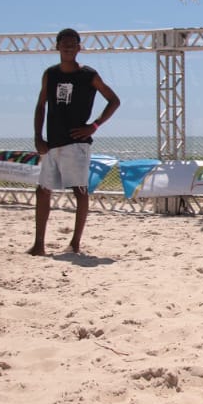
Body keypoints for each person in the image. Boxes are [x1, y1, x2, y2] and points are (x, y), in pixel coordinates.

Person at [28, 28, 121, 256]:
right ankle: (39, 244)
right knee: (42, 191)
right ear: (57, 46)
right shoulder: (50, 74)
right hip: (53, 141)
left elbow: (114, 100)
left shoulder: (88, 75)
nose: (68, 47)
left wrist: (94, 125)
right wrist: (38, 136)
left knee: (80, 191)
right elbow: (41, 105)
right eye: (64, 43)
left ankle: (75, 244)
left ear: (79, 48)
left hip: (77, 143)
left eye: (73, 44)